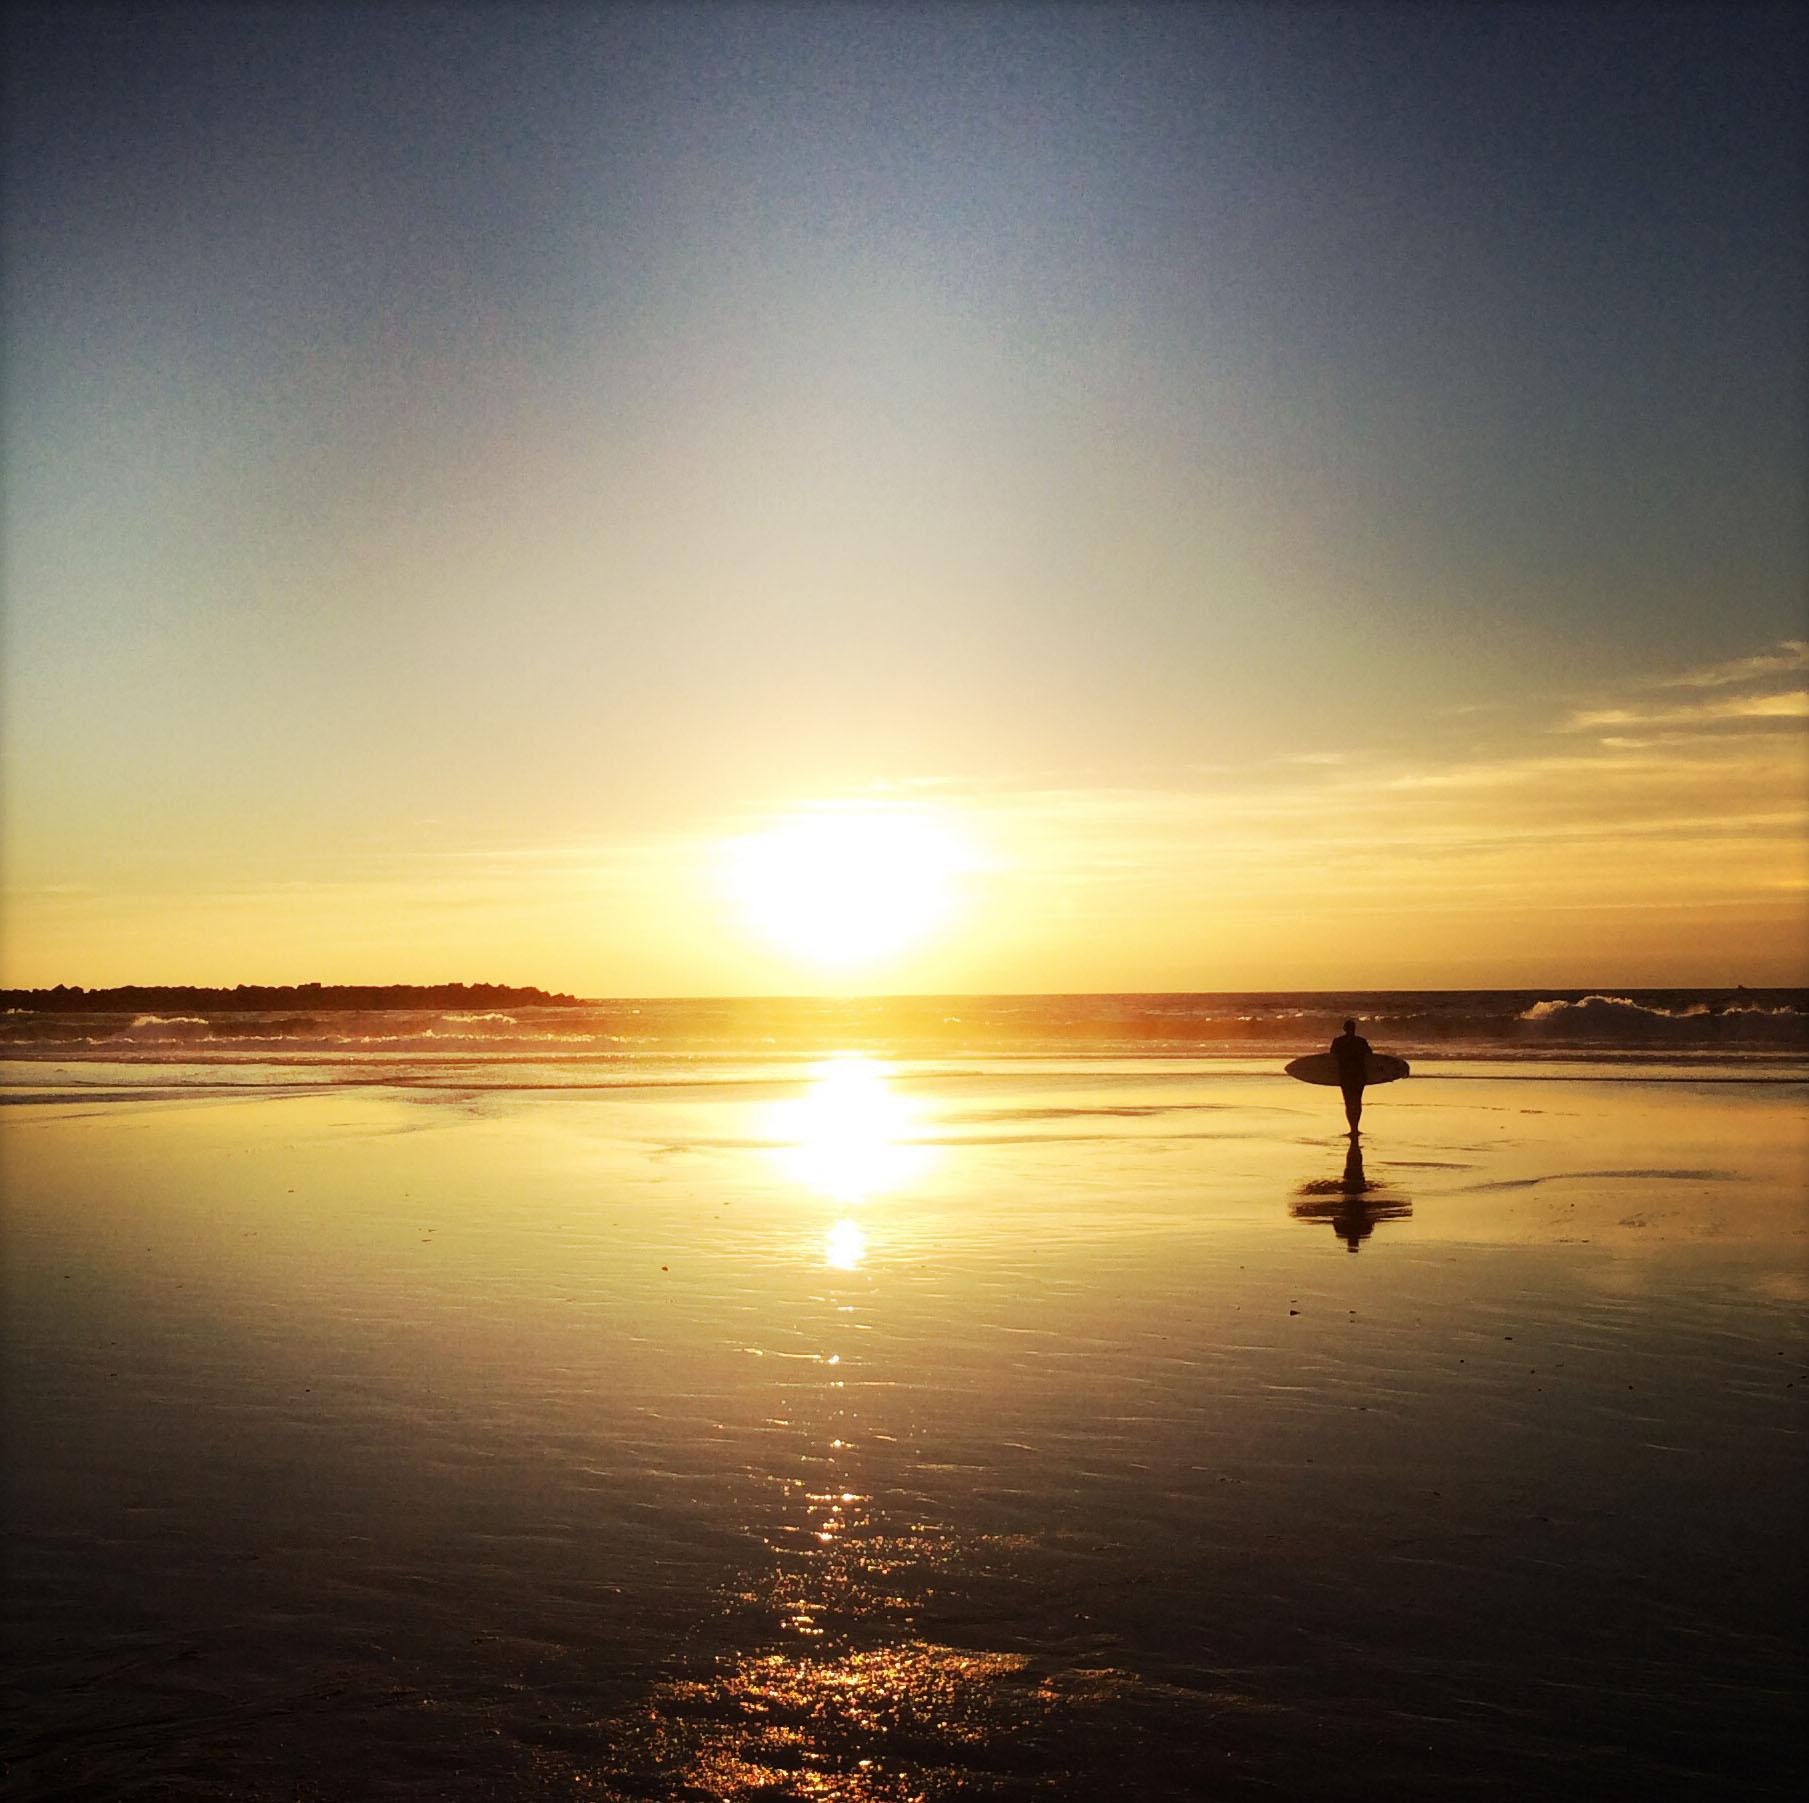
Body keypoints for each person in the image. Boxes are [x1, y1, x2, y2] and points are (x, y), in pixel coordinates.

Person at [1330, 1016, 1372, 1137]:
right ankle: (1355, 1128)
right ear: (1354, 1029)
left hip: (1345, 1075)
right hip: (1359, 1075)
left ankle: (1352, 1128)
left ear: (1344, 1029)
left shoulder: (1338, 1042)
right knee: (1357, 1101)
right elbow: (1370, 1056)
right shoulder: (1361, 1041)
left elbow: (1331, 1057)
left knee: (1349, 1102)